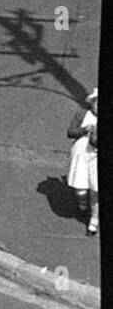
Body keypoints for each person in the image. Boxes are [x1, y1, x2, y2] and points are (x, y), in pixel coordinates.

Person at [65, 89, 98, 235]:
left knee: (96, 191)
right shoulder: (82, 114)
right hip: (82, 154)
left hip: (96, 156)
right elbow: (70, 132)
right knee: (81, 190)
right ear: (93, 103)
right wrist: (83, 131)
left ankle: (93, 222)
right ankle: (82, 206)